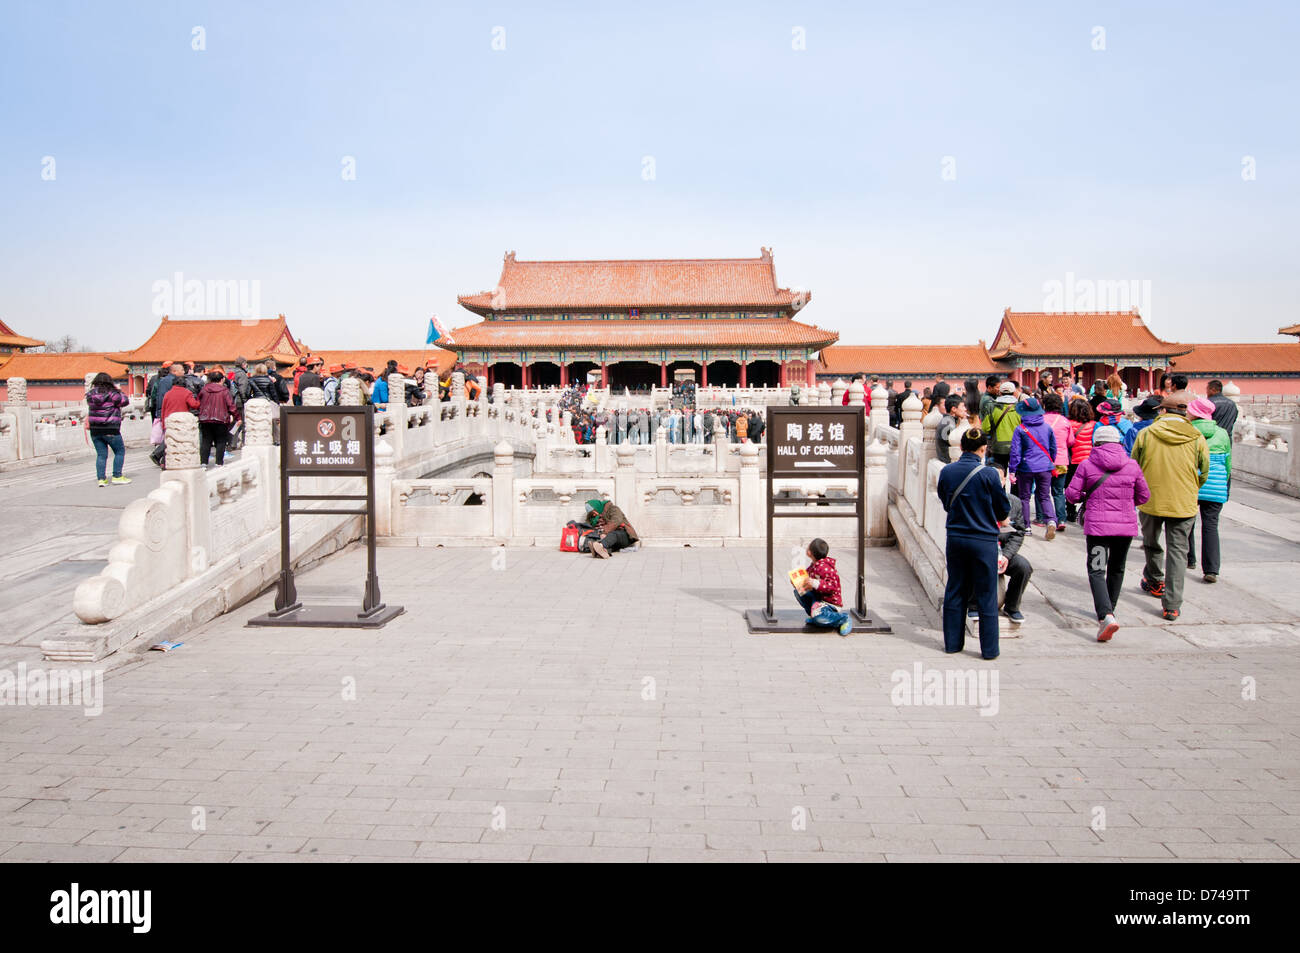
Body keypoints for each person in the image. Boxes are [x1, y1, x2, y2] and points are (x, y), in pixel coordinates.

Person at [1065, 424, 1150, 642]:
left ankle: (1105, 615)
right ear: (1119, 443)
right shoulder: (1132, 465)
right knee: (1117, 569)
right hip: (1124, 528)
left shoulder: (1087, 465)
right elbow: (1144, 496)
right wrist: (1126, 503)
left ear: (1097, 444)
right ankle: (1110, 610)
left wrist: (1086, 495)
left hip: (1098, 529)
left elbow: (1071, 495)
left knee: (1096, 569)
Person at [1131, 390, 1210, 621]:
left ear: (1163, 411)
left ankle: (1156, 580)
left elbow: (1135, 465)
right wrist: (1192, 487)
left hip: (1151, 498)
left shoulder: (1146, 434)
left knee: (1151, 543)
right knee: (1178, 552)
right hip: (1183, 501)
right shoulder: (1196, 437)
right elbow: (1203, 470)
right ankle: (1172, 605)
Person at [937, 427, 1011, 660]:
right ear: (983, 449)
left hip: (957, 537)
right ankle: (989, 650)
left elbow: (945, 501)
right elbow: (1003, 509)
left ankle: (952, 644)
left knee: (956, 588)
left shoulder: (947, 471)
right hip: (983, 539)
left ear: (961, 447)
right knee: (986, 594)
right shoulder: (989, 474)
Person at [1186, 397, 1231, 584]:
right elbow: (1227, 463)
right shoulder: (1222, 434)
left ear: (1194, 413)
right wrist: (1224, 483)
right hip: (1216, 486)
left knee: (1187, 522)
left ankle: (1189, 559)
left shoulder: (1189, 432)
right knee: (1211, 526)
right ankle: (1211, 569)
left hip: (1192, 483)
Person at [1008, 396, 1057, 538]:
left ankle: (1026, 527)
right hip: (1045, 467)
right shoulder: (1047, 427)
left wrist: (1012, 470)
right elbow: (1053, 448)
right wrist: (1049, 461)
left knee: (1024, 497)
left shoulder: (1020, 429)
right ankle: (1051, 521)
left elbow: (1015, 451)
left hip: (1026, 467)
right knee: (1044, 497)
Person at [792, 537, 853, 636]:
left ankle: (842, 618)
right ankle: (814, 615)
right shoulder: (814, 564)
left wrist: (815, 583)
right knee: (799, 591)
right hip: (819, 599)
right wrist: (797, 580)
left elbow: (831, 586)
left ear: (810, 552)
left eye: (808, 547)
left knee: (819, 618)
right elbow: (807, 575)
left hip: (829, 604)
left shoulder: (825, 567)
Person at [86, 372, 132, 486]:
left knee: (101, 455)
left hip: (95, 429)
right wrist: (118, 390)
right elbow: (125, 401)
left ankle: (101, 479)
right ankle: (117, 476)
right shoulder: (113, 394)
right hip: (110, 427)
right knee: (119, 451)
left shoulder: (90, 394)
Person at [1039, 391, 1071, 533]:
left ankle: (1042, 518)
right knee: (1058, 491)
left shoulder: (1040, 420)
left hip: (1043, 460)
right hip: (1061, 460)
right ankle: (1061, 519)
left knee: (1043, 491)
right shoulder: (1065, 421)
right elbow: (1071, 441)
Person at [1064, 398, 1097, 522]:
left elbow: (1067, 442)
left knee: (1070, 486)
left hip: (1074, 460)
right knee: (1090, 487)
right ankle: (1087, 510)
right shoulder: (1094, 424)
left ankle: (1071, 511)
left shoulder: (1069, 424)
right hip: (1090, 460)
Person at [198, 370, 240, 467]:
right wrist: (237, 417)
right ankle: (219, 463)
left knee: (206, 441)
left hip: (205, 419)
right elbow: (231, 405)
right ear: (222, 379)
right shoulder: (224, 391)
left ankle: (203, 462)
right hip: (221, 418)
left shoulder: (204, 389)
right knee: (221, 441)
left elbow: (198, 402)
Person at [981, 381, 1020, 474]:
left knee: (999, 476)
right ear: (1014, 393)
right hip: (1016, 447)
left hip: (997, 447)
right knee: (1016, 477)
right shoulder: (1020, 407)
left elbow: (986, 428)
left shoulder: (991, 407)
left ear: (1000, 393)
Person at [935, 394, 966, 463]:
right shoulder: (949, 424)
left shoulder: (947, 420)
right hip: (948, 461)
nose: (965, 409)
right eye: (963, 406)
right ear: (954, 409)